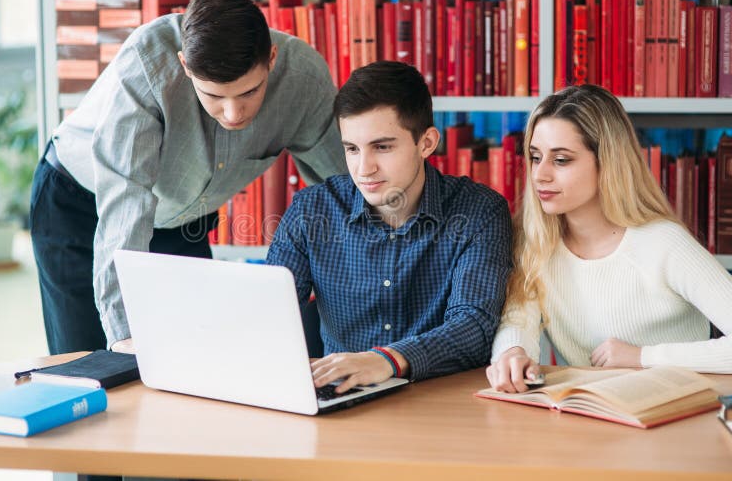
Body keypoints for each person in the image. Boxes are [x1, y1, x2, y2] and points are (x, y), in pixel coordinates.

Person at [30, 0, 347, 356]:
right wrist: (122, 332)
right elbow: (127, 200)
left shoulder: (303, 79)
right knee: (92, 363)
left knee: (196, 360)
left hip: (183, 220)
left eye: (249, 92)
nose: (233, 114)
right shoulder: (147, 63)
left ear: (272, 59)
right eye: (214, 96)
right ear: (184, 65)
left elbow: (342, 188)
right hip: (80, 205)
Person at [267, 61, 513, 393]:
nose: (364, 168)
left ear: (426, 143)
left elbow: (473, 326)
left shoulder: (479, 212)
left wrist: (388, 360)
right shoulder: (312, 210)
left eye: (382, 147)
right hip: (342, 402)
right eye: (352, 149)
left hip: (442, 404)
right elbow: (267, 313)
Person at [486, 84, 732, 393]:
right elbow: (518, 320)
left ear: (608, 162)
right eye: (536, 157)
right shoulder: (537, 244)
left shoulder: (664, 244)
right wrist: (512, 353)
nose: (540, 175)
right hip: (593, 418)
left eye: (561, 160)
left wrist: (642, 357)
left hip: (676, 420)